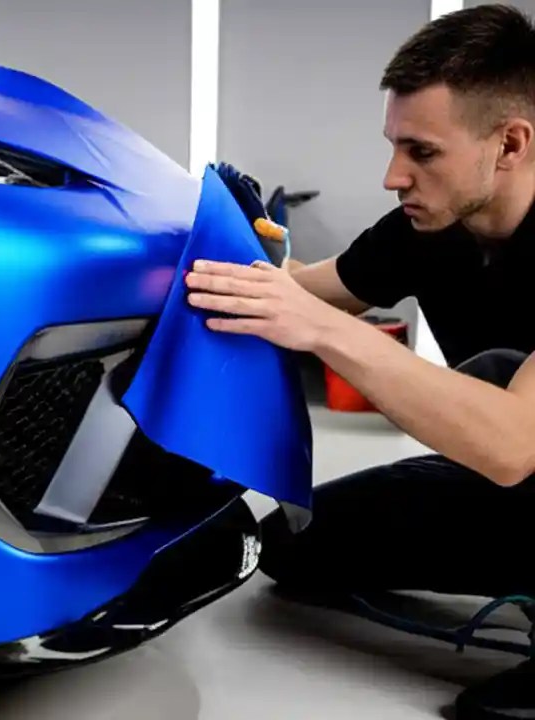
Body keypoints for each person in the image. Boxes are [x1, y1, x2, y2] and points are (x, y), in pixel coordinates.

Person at [184, 5, 535, 719]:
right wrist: (211, 257)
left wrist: (323, 331)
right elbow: (295, 293)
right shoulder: (429, 225)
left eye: (422, 152)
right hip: (512, 492)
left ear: (510, 144)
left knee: (498, 371)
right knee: (292, 546)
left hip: (519, 457)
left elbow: (512, 444)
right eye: (393, 146)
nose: (392, 176)